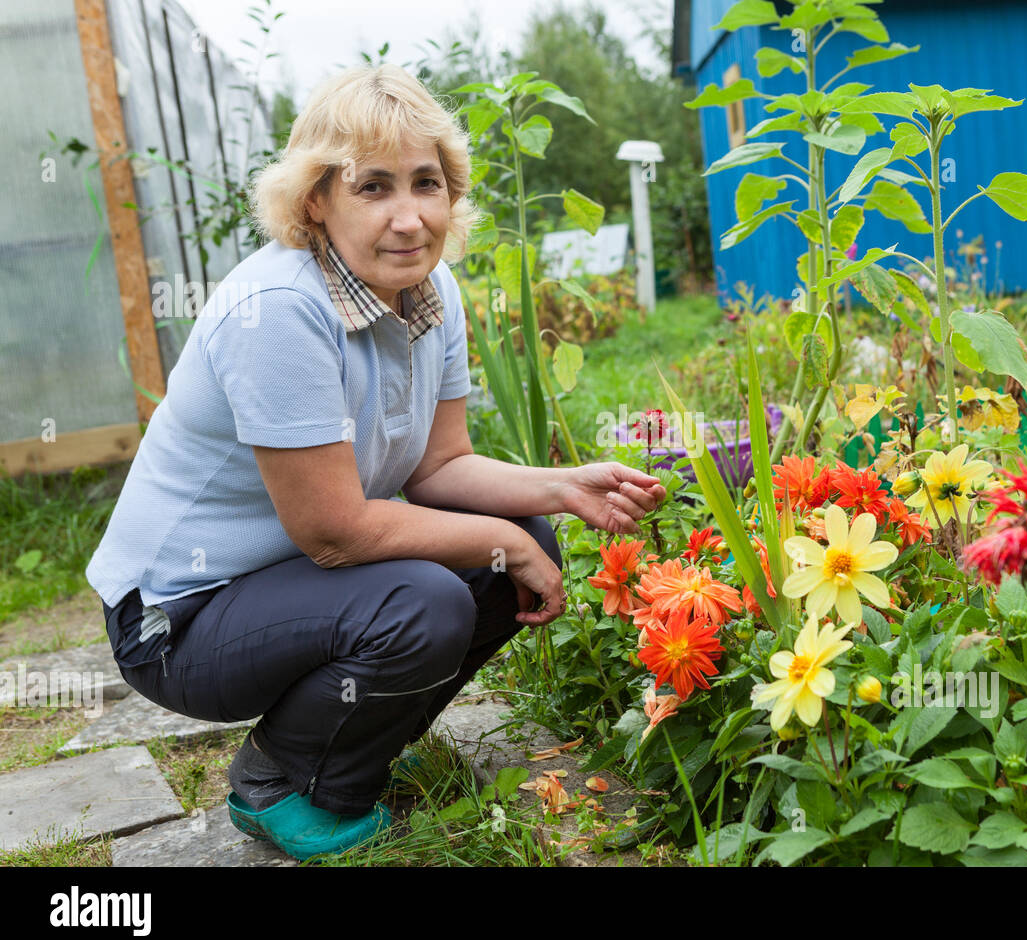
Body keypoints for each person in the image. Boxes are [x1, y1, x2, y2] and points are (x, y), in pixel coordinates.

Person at [85, 63, 666, 860]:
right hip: (177, 620)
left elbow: (439, 468)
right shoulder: (281, 313)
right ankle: (276, 782)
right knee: (427, 596)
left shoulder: (432, 294)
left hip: (282, 586)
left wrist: (562, 489)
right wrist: (516, 543)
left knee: (513, 536)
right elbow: (336, 533)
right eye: (373, 188)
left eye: (426, 183)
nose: (408, 217)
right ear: (315, 199)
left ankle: (342, 756)